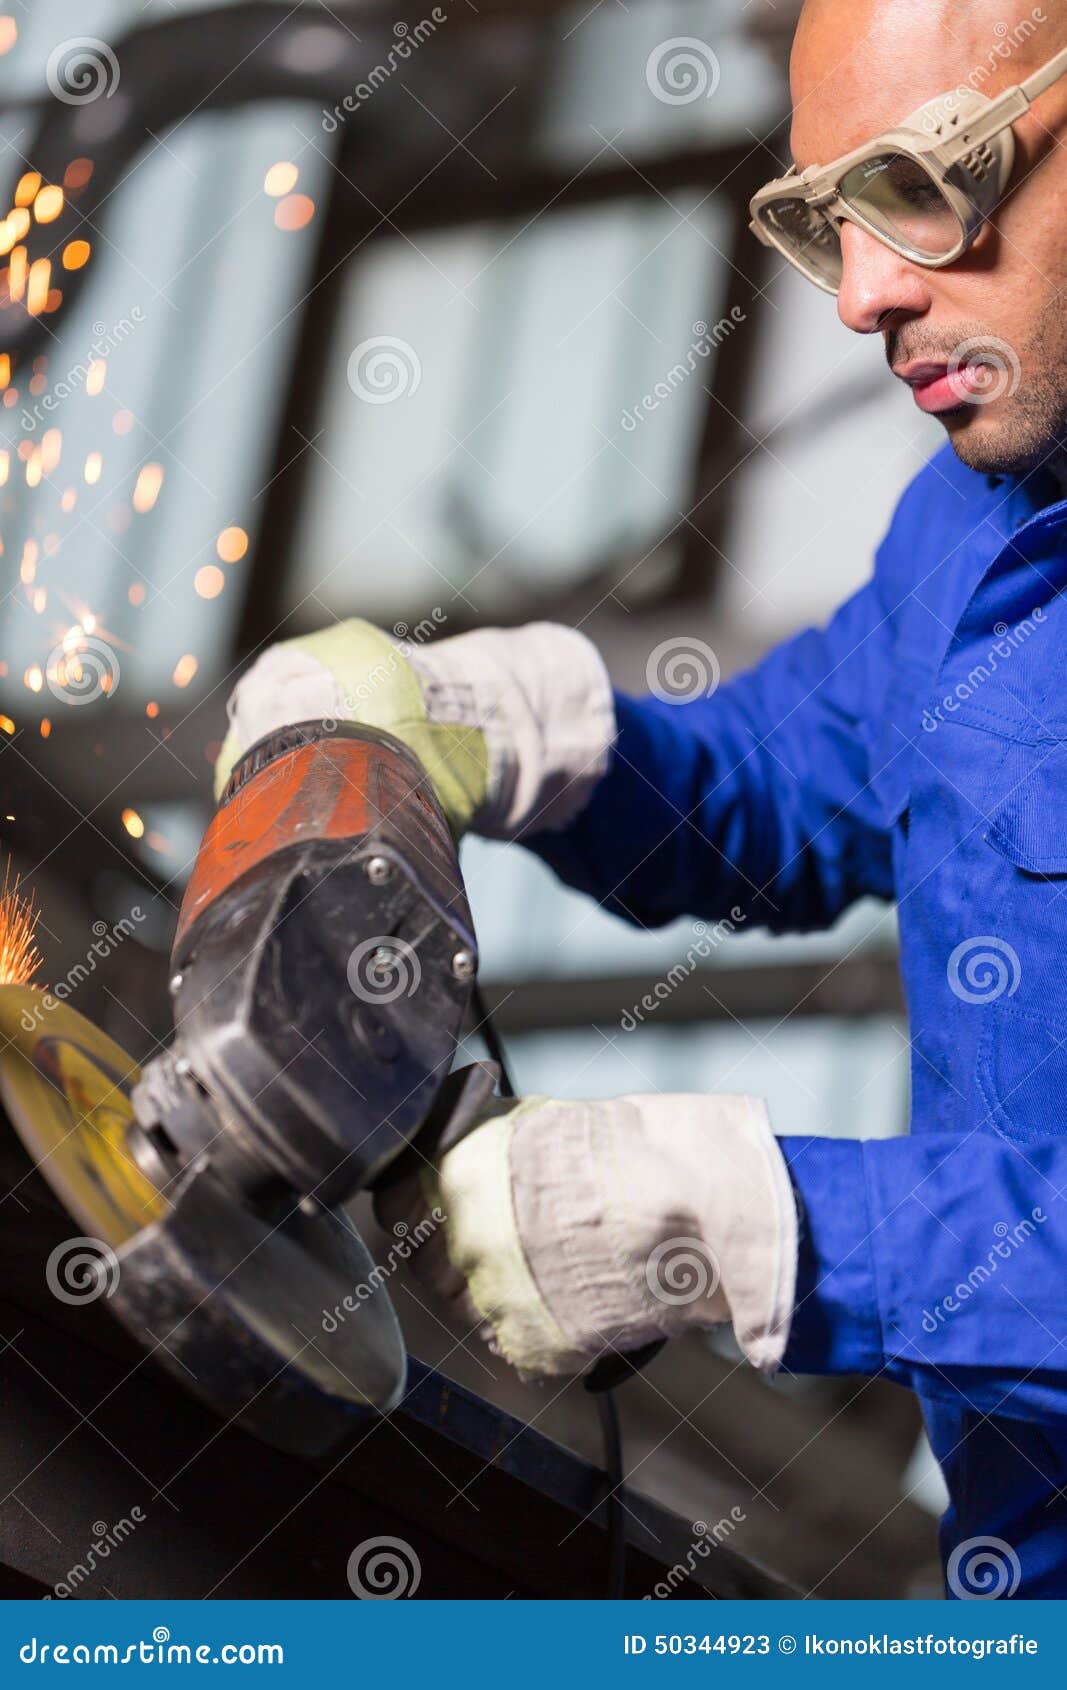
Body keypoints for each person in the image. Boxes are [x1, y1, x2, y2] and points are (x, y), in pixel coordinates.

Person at [216, 1, 1067, 1598]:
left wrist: (768, 1221)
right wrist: (498, 724)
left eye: (919, 183)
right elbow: (800, 777)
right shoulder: (975, 521)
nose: (865, 294)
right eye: (824, 221)